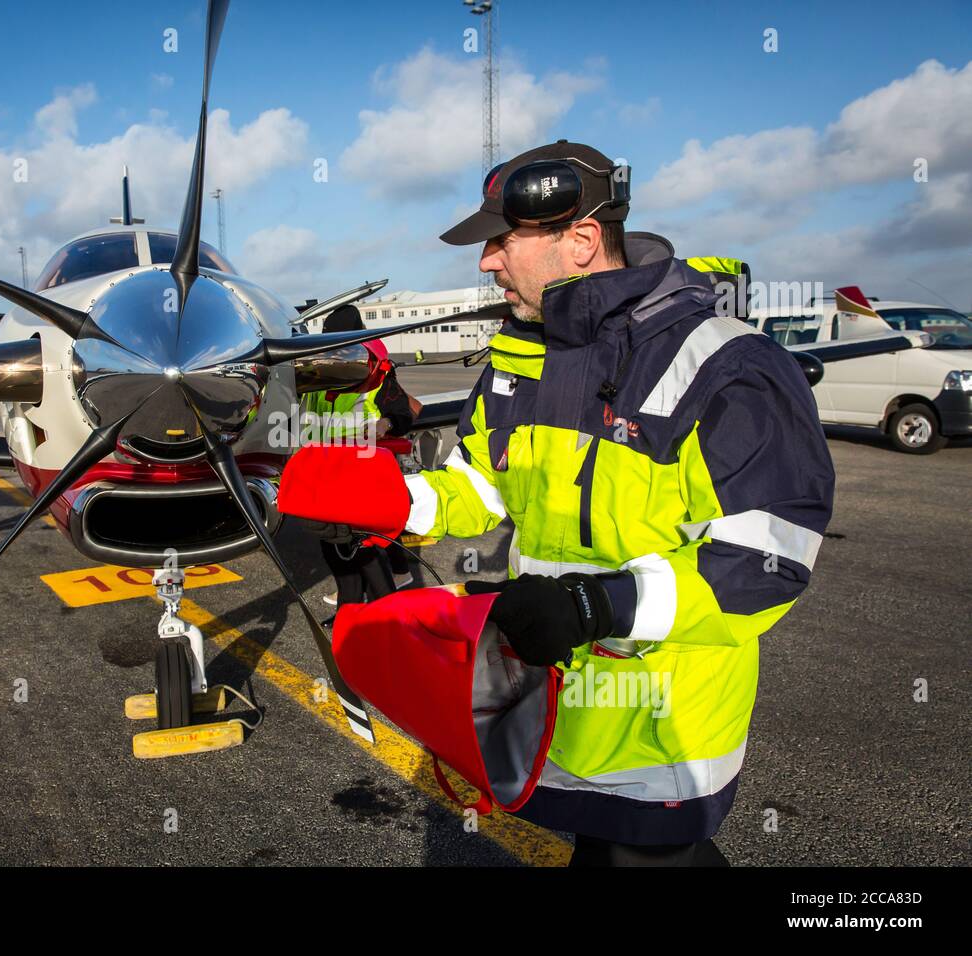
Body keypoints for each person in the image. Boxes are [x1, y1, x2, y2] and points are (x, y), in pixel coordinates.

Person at [403, 141, 835, 866]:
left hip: (663, 735)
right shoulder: (521, 358)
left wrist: (594, 607)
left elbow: (767, 556)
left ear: (579, 240)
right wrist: (393, 500)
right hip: (561, 709)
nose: (486, 262)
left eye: (502, 242)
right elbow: (480, 484)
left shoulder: (726, 363)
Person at [301, 305, 416, 609]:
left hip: (361, 468)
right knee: (341, 543)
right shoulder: (318, 371)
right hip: (326, 466)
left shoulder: (376, 371)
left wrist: (385, 424)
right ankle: (367, 598)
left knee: (359, 545)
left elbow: (401, 411)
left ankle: (367, 608)